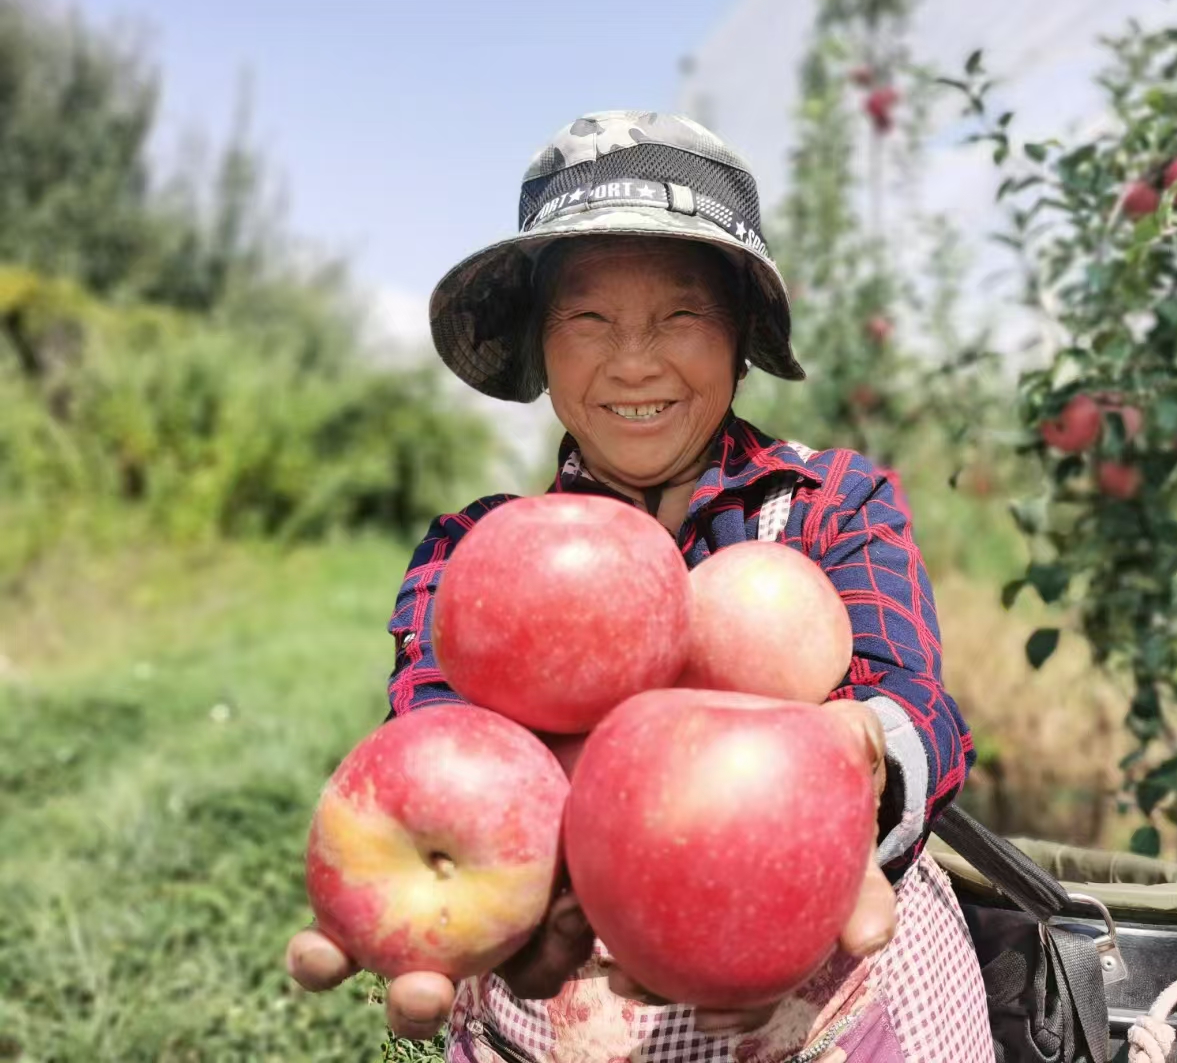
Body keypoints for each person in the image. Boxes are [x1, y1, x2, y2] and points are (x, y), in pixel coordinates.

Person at [285, 110, 991, 1063]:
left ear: (741, 338)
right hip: (561, 996)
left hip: (826, 974)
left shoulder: (826, 503)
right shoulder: (477, 555)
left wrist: (864, 759)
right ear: (539, 349)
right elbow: (439, 734)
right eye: (588, 318)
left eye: (680, 315)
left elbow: (918, 704)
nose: (633, 361)